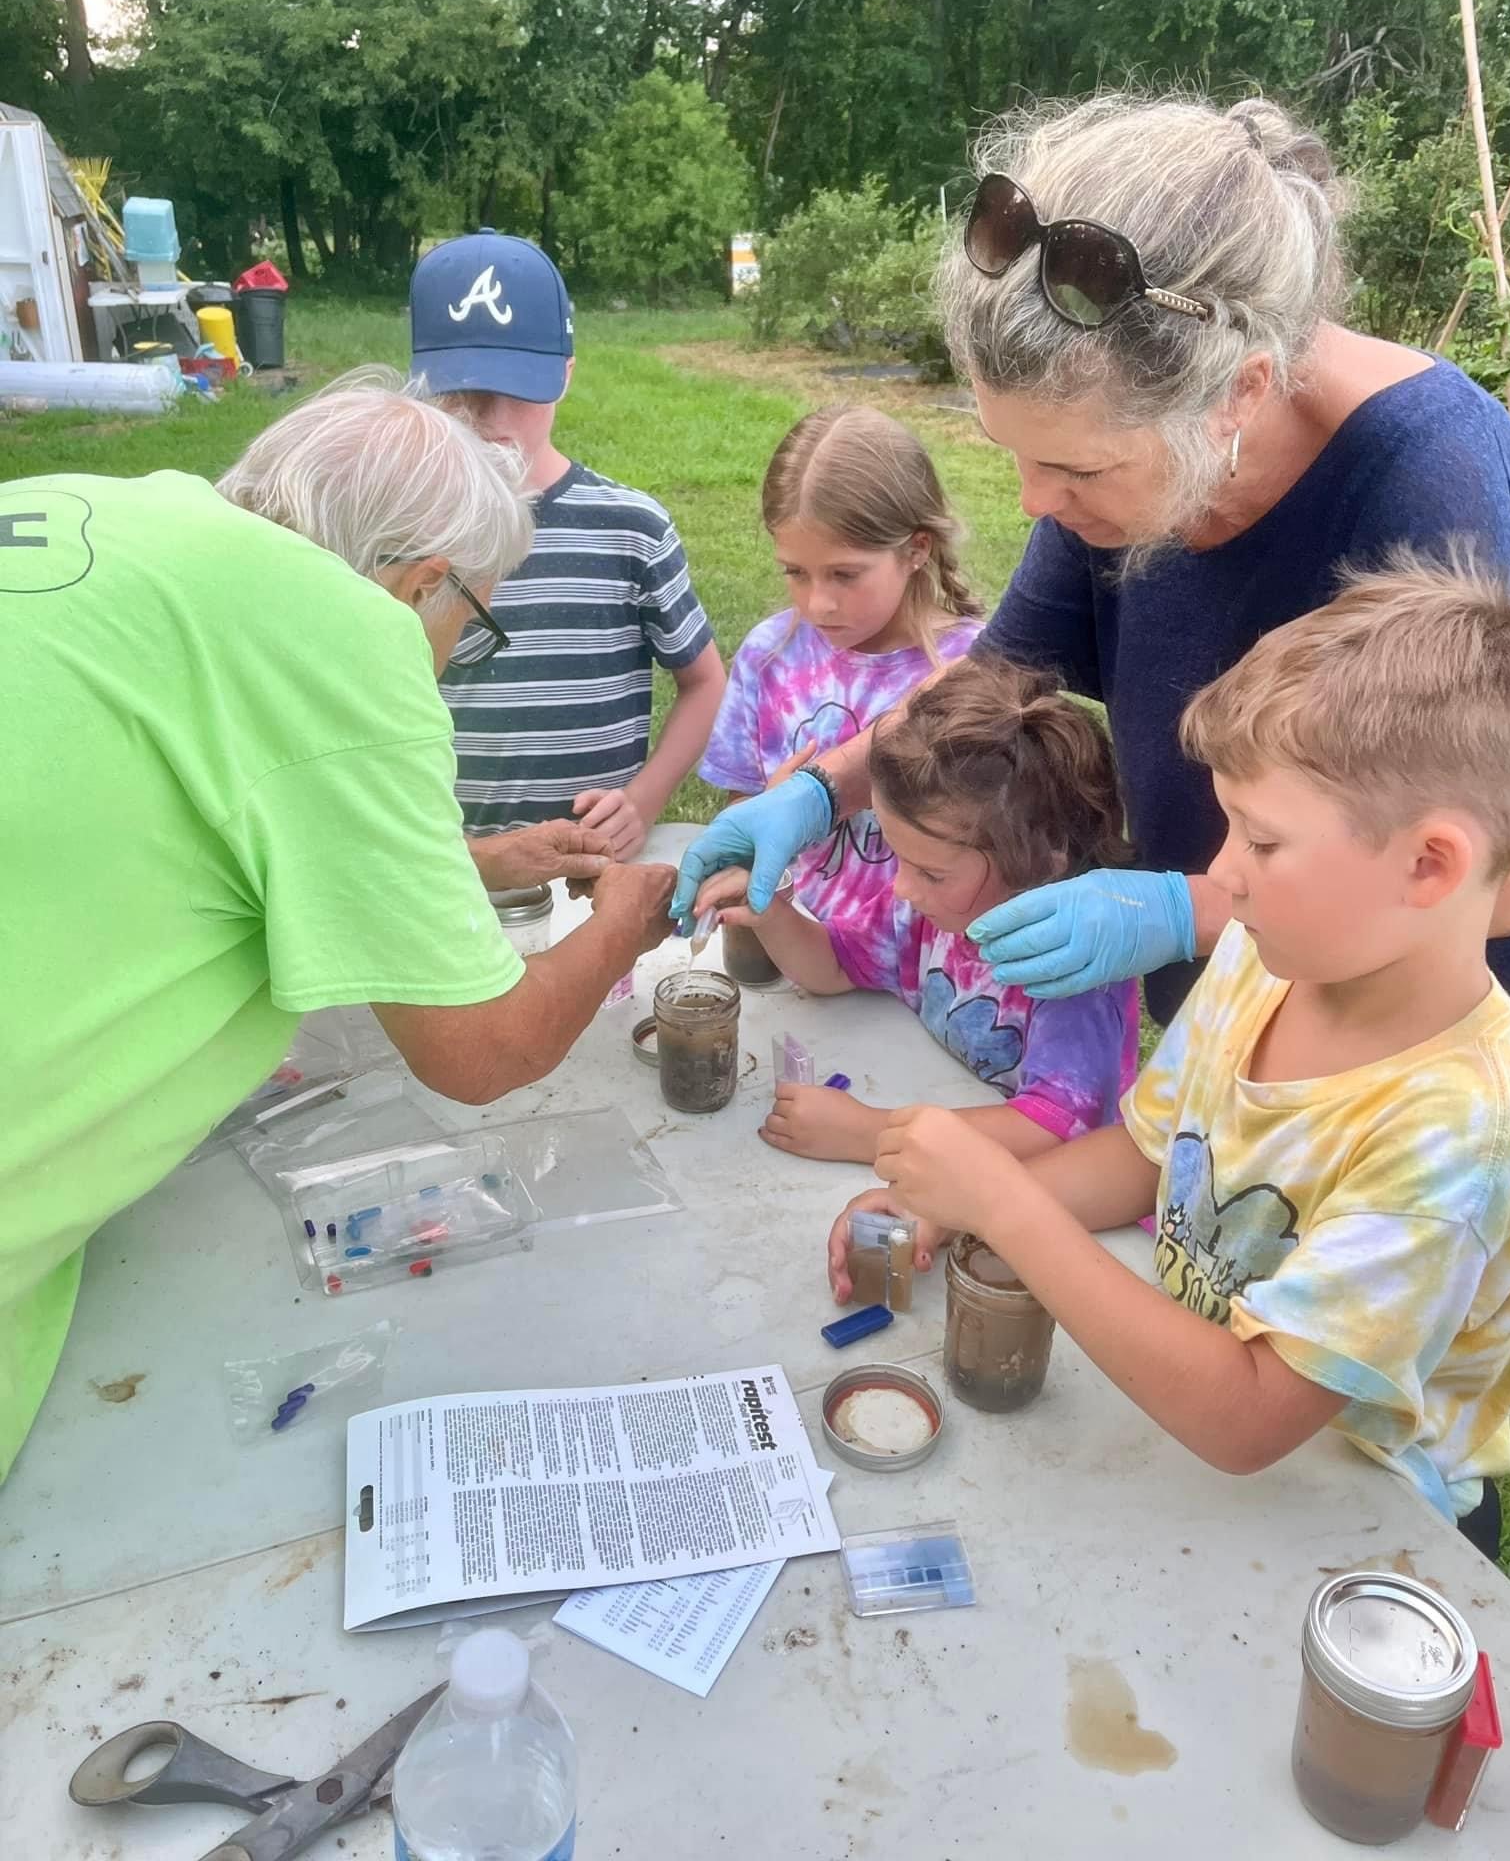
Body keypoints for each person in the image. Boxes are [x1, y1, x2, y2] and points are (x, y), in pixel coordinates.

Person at [670, 93, 1510, 1030]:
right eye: (1018, 454)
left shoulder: (1428, 482)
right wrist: (817, 789)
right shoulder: (1129, 455)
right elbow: (994, 668)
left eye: (1076, 467)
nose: (1034, 503)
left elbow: (1502, 875)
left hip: (1419, 1054)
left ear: (1238, 395)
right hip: (1252, 1011)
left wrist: (1185, 909)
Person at [0, 374, 677, 1480]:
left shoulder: (115, 510)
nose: (452, 661)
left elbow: (178, 807)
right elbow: (482, 1047)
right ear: (420, 585)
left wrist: (463, 864)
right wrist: (620, 921)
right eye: (471, 625)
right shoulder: (349, 628)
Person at [834, 559, 1510, 1559]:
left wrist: (1004, 1201)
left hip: (1357, 1525)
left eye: (1262, 839)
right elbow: (1144, 1148)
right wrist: (942, 1203)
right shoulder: (1266, 956)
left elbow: (1250, 1417)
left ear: (1430, 863)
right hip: (1190, 1446)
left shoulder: (1460, 1127)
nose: (1220, 876)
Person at [696, 656, 1137, 1202]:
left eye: (930, 871)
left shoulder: (1076, 965)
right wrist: (772, 913)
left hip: (1058, 1211)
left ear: (1043, 861)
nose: (901, 888)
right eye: (897, 856)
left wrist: (873, 1132)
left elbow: (1053, 1130)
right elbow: (834, 966)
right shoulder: (935, 910)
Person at [411, 229, 726, 860]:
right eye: (461, 391)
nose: (489, 418)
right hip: (453, 867)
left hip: (595, 865)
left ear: (565, 374)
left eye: (516, 389)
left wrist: (644, 799)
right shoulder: (405, 538)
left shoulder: (631, 527)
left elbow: (705, 682)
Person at [697, 406, 983, 932]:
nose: (819, 603)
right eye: (796, 573)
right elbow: (741, 799)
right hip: (796, 951)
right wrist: (765, 807)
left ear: (917, 548)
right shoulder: (768, 658)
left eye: (844, 575)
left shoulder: (972, 666)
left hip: (922, 962)